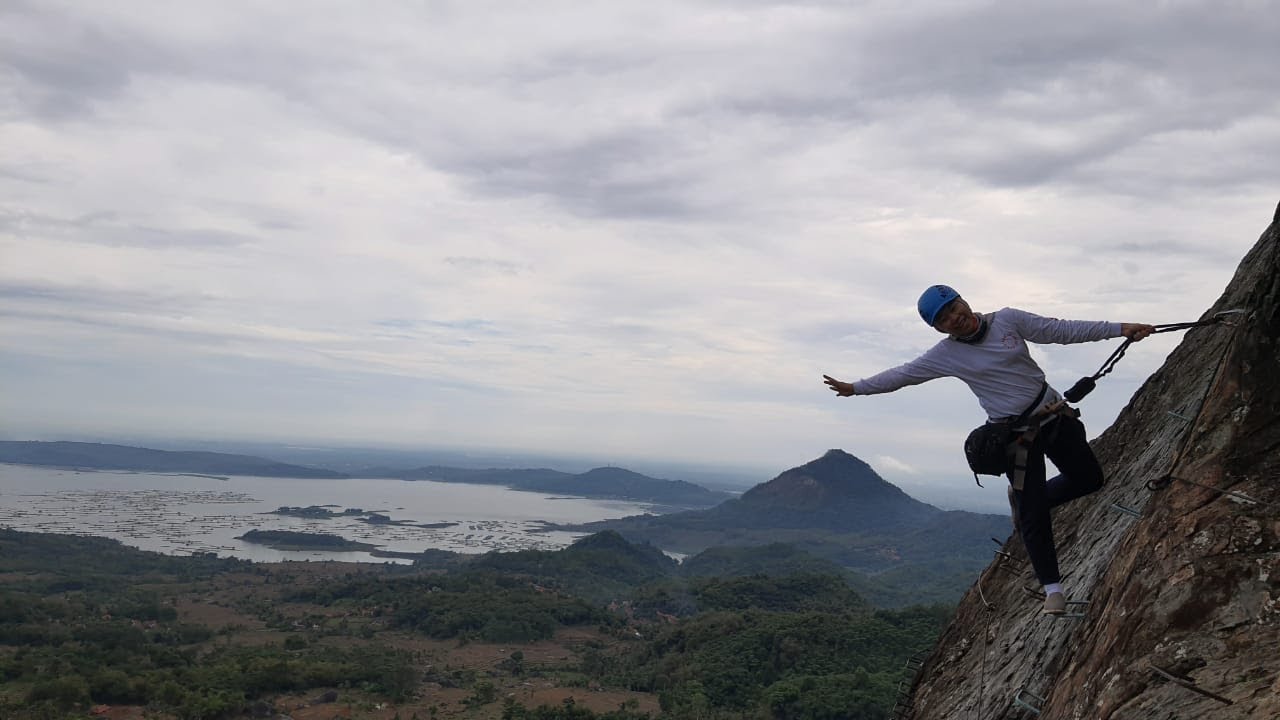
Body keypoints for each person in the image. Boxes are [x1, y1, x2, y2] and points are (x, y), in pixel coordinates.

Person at [821, 285, 1154, 615]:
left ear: (964, 300)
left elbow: (1061, 330)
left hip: (1053, 415)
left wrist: (1120, 329)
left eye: (954, 307)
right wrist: (856, 389)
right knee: (1032, 514)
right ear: (938, 329)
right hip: (1015, 436)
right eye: (944, 318)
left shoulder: (1008, 320)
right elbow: (905, 374)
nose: (955, 317)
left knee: (1089, 480)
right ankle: (1053, 589)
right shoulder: (946, 354)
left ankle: (1024, 499)